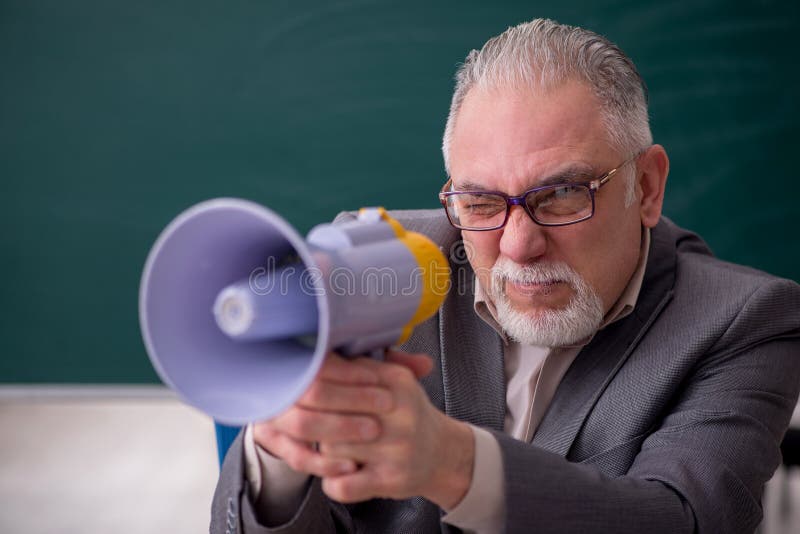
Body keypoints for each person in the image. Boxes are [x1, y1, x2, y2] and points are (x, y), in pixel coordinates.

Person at [211, 18, 800, 534]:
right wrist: (279, 461)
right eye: (481, 202)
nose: (519, 246)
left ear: (646, 187)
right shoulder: (371, 264)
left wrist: (453, 462)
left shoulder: (748, 319)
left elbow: (686, 521)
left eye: (563, 194)